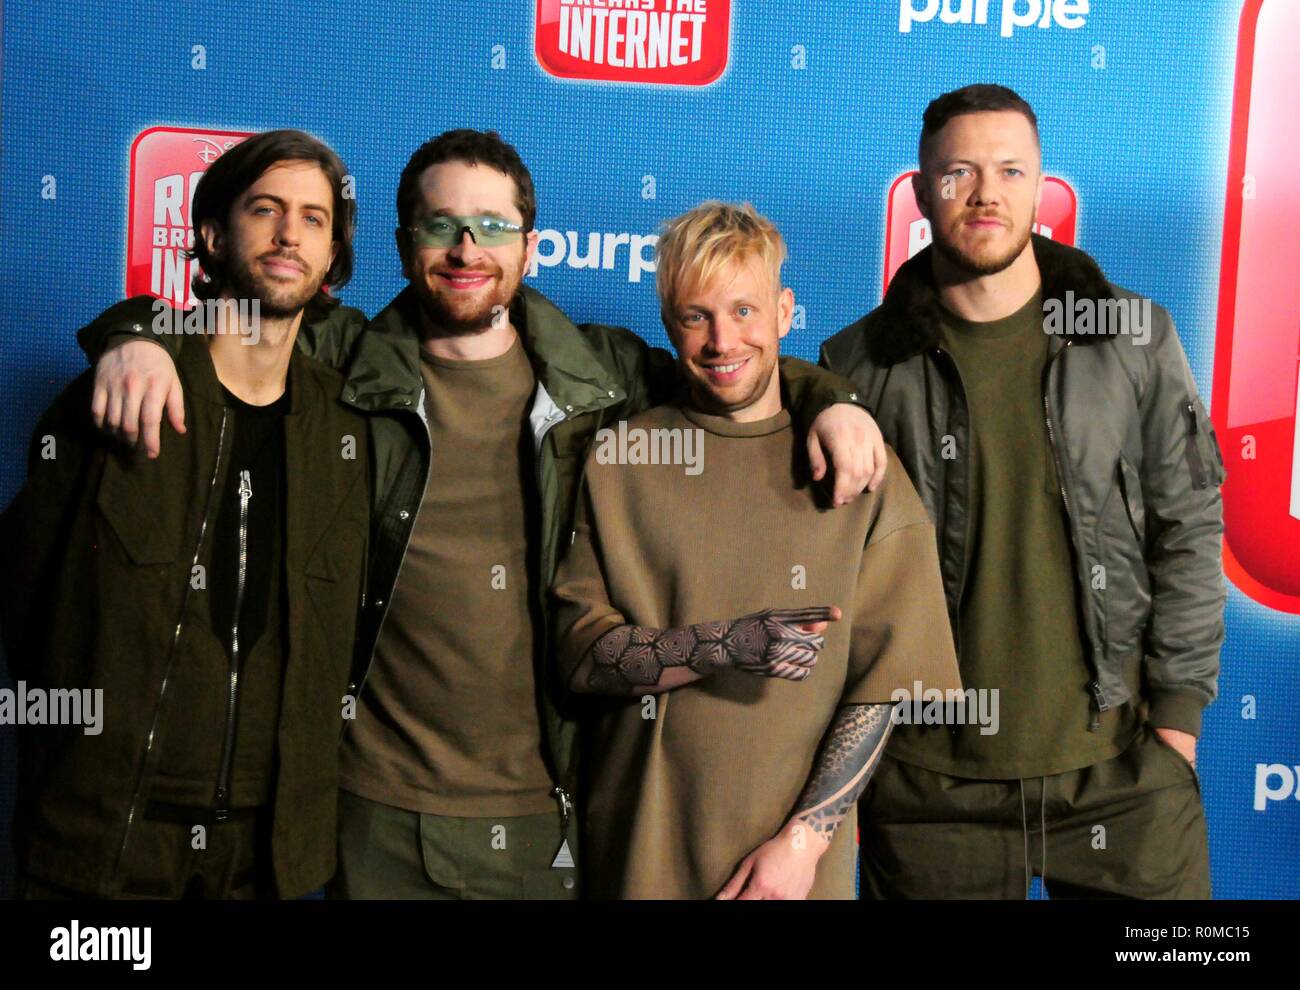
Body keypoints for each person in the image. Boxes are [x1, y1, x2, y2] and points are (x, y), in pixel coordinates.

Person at [75, 130, 888, 899]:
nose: (468, 249)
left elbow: (734, 372)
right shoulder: (344, 362)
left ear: (530, 247)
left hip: (548, 806)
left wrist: (834, 398)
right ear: (404, 246)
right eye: (443, 225)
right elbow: (244, 312)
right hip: (370, 802)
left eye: (492, 225)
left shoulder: (604, 376)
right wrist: (135, 334)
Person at [820, 84, 1226, 899]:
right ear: (922, 186)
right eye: (959, 172)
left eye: (1010, 170)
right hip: (932, 788)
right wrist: (813, 395)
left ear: (1039, 183)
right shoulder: (858, 367)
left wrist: (1176, 725)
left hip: (1121, 770)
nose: (985, 194)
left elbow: (1187, 528)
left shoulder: (1132, 339)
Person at [551, 202, 961, 899]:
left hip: (794, 872)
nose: (721, 341)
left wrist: (803, 844)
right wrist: (728, 645)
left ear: (784, 311)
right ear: (668, 323)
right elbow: (583, 655)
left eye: (744, 311)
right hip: (635, 855)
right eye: (695, 316)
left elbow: (883, 692)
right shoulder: (619, 458)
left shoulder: (858, 467)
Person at [1, 129, 370, 899]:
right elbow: (24, 591)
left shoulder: (348, 433)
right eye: (264, 209)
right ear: (210, 234)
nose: (287, 235)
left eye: (312, 218)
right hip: (102, 846)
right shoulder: (117, 399)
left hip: (264, 859)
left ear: (334, 257)